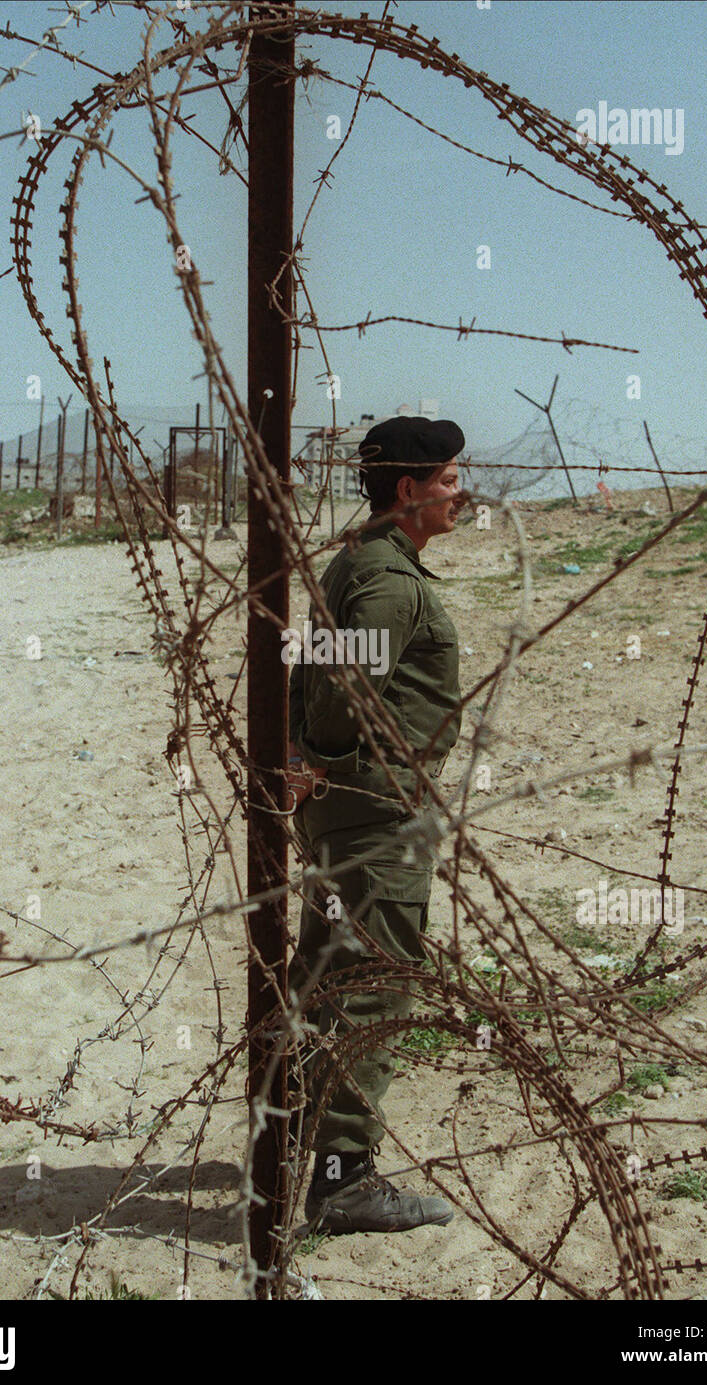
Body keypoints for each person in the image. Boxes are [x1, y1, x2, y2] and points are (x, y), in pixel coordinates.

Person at [287, 413, 465, 1234]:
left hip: (345, 812)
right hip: (375, 819)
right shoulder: (389, 580)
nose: (460, 495)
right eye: (450, 482)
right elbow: (342, 692)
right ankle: (344, 1181)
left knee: (326, 982)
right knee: (372, 995)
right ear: (410, 489)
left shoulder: (363, 559)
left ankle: (296, 1145)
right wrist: (325, 759)